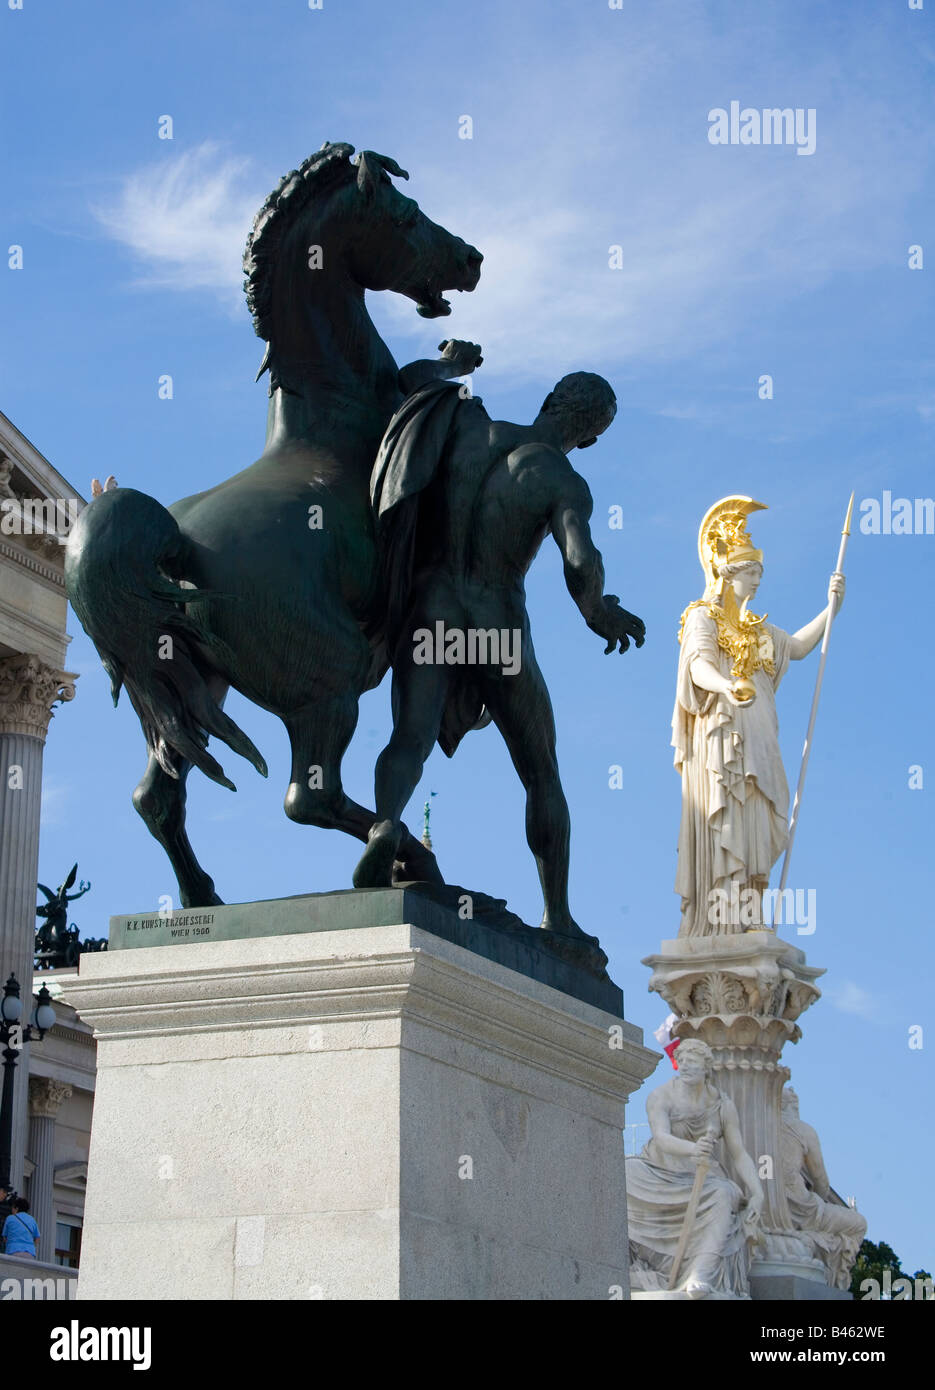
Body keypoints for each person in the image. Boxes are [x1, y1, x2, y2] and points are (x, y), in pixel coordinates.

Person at [354, 346, 645, 944]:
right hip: (496, 627)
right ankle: (558, 918)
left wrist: (448, 366)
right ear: (589, 436)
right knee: (541, 773)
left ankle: (385, 827)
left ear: (550, 400)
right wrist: (599, 612)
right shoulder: (565, 479)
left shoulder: (468, 423)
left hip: (430, 612)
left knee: (409, 739)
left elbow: (405, 386)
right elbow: (580, 559)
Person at [672, 497, 845, 937]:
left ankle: (750, 915)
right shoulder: (702, 618)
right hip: (721, 731)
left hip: (762, 733)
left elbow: (801, 648)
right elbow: (697, 667)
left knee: (758, 817)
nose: (758, 581)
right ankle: (720, 921)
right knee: (727, 814)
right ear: (728, 572)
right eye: (752, 572)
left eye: (760, 574)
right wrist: (726, 685)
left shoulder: (763, 632)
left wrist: (831, 608)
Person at [627, 1038, 763, 1299]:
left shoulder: (722, 1105)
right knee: (626, 1171)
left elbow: (739, 1153)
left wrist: (758, 1192)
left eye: (692, 1062)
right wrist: (692, 1149)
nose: (685, 1067)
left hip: (698, 1178)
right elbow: (661, 1137)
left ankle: (700, 1271)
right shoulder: (661, 1096)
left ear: (706, 1067)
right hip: (657, 1172)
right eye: (682, 1061)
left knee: (725, 1193)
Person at [781, 1087, 867, 1289]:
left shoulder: (756, 1123)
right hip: (803, 1208)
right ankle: (832, 1280)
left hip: (767, 1206)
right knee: (858, 1224)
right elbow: (821, 1182)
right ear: (793, 1106)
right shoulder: (802, 1129)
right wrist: (815, 1206)